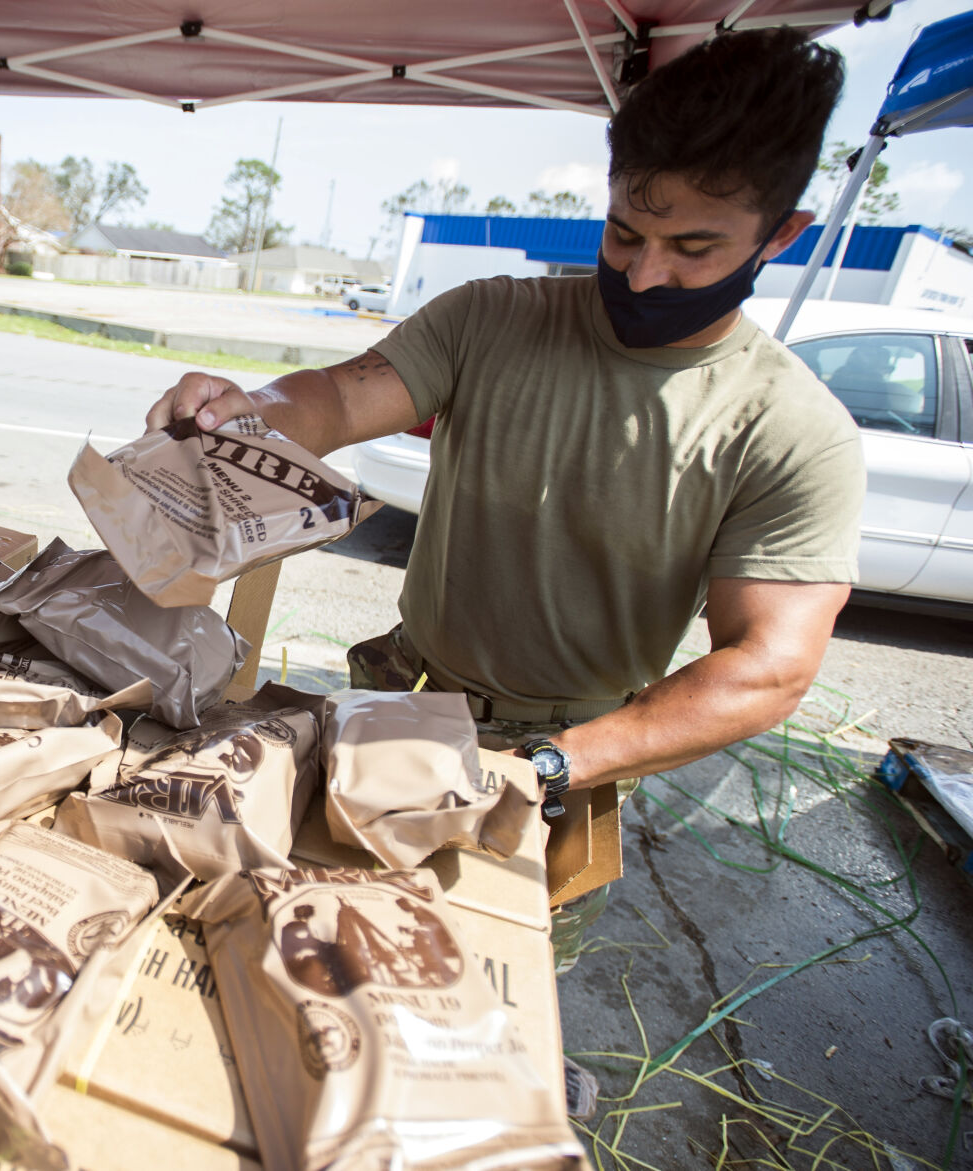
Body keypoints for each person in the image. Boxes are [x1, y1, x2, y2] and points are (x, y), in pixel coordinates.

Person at [144, 27, 862, 982]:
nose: (644, 275)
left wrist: (553, 767)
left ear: (783, 235)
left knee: (483, 985)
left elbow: (767, 667)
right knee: (316, 947)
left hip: (564, 755)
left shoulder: (790, 429)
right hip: (405, 696)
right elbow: (344, 395)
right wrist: (248, 408)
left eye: (694, 248)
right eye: (624, 233)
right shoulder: (490, 316)